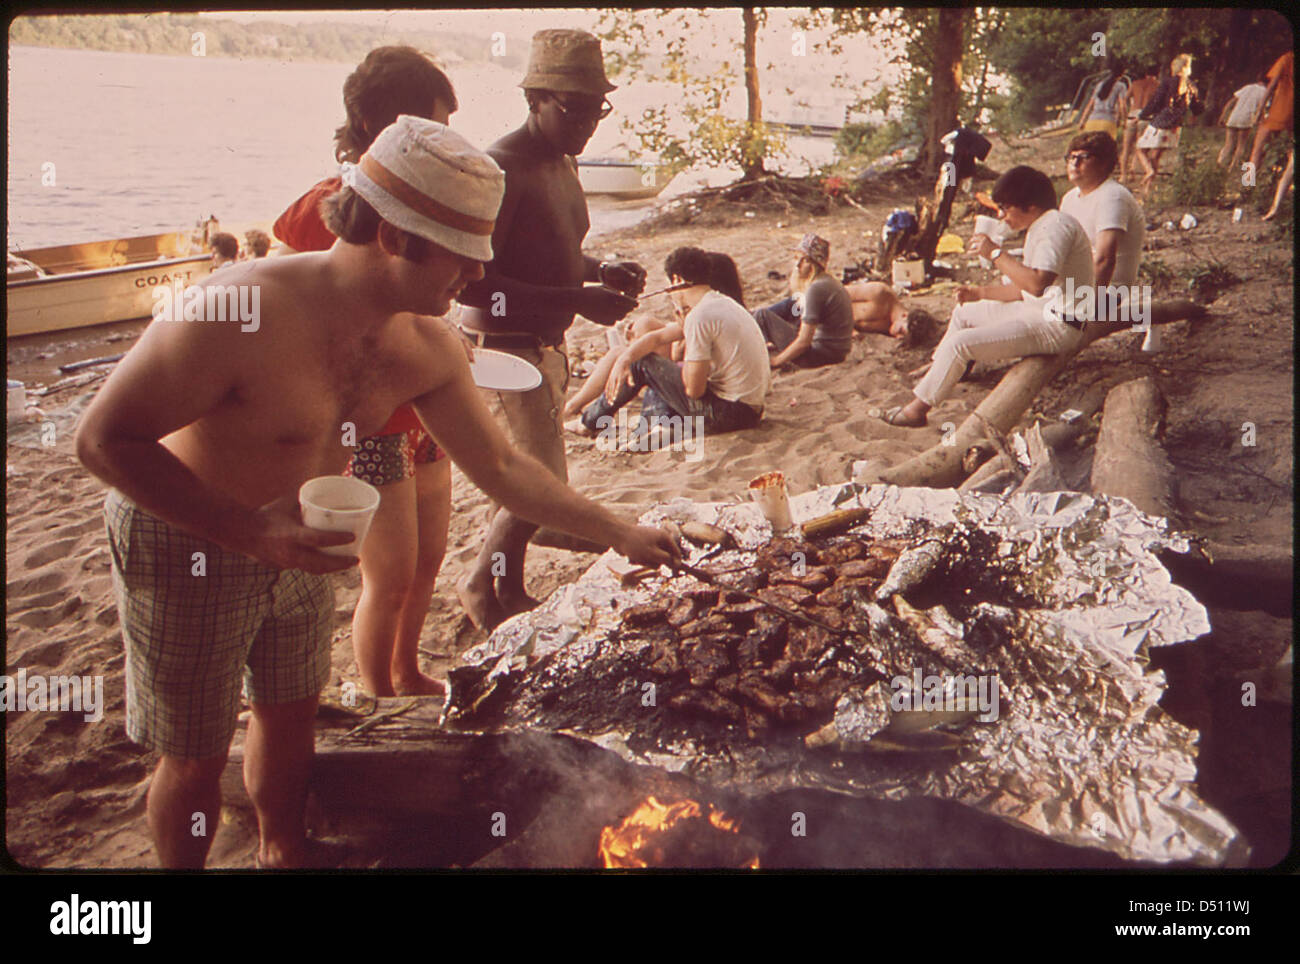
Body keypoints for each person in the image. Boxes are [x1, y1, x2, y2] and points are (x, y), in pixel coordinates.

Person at [75, 117, 679, 869]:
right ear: (397, 238)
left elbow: (502, 466)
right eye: (464, 258)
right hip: (185, 533)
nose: (478, 279)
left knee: (291, 715)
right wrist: (246, 532)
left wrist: (618, 529)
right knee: (193, 753)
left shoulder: (426, 345)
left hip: (296, 537)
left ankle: (283, 848)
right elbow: (101, 441)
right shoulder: (233, 311)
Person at [273, 46, 460, 698]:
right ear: (381, 126)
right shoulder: (331, 208)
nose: (441, 142)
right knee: (392, 572)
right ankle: (378, 692)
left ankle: (406, 670)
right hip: (373, 425)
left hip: (425, 409)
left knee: (430, 557)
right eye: (430, 127)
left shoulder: (430, 208)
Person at [454, 30, 647, 632]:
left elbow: (553, 253)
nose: (588, 121)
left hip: (544, 346)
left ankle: (504, 585)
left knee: (534, 481)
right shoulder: (500, 167)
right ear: (535, 98)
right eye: (574, 107)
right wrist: (576, 299)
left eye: (597, 108)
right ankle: (480, 589)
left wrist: (600, 270)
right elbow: (474, 285)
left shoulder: (561, 160)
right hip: (502, 350)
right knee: (539, 483)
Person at [872, 166, 1094, 428]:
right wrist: (978, 293)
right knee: (964, 312)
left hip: (1059, 326)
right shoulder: (1041, 225)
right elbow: (1023, 288)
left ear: (1030, 206)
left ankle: (915, 411)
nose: (1001, 216)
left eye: (1005, 208)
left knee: (960, 344)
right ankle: (940, 368)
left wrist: (996, 254)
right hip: (1039, 310)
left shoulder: (1054, 228)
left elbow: (1036, 285)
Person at [576, 245, 769, 439]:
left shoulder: (700, 316)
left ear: (677, 280)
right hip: (750, 410)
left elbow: (694, 390)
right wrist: (623, 359)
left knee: (643, 364)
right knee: (642, 360)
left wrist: (669, 361)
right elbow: (657, 337)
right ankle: (653, 421)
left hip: (730, 415)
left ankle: (588, 422)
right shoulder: (720, 302)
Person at [750, 234, 854, 368]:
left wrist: (776, 361)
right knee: (792, 303)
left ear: (815, 265)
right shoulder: (827, 282)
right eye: (797, 258)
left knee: (762, 316)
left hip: (821, 355)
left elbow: (804, 341)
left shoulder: (816, 288)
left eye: (804, 260)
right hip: (835, 353)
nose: (798, 265)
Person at [1059, 131, 1145, 294]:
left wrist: (1087, 303)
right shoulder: (1069, 198)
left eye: (1084, 157)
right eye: (1071, 157)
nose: (1074, 163)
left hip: (1109, 290)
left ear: (1104, 164)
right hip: (1074, 284)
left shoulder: (1112, 196)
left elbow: (1105, 259)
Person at [1136, 54, 1203, 198]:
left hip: (1160, 122)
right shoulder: (1191, 86)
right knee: (1155, 156)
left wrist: (1141, 115)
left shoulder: (1168, 82)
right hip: (1175, 126)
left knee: (1140, 149)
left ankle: (1149, 171)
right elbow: (1198, 109)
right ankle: (1148, 190)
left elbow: (1155, 102)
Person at [1248, 51, 1294, 178]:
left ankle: (1246, 184)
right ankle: (1283, 185)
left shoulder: (1287, 58)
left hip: (1279, 111)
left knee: (1256, 149)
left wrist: (1259, 110)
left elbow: (1271, 85)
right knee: (1292, 154)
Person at [1218, 72, 1270, 169]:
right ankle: (1232, 168)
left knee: (1228, 144)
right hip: (1246, 119)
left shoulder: (1247, 87)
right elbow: (1262, 109)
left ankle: (1220, 165)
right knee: (1241, 145)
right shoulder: (1265, 92)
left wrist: (1223, 115)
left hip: (1234, 116)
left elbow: (1231, 101)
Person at [1120, 68, 1160, 185]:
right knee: (1140, 147)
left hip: (1132, 116)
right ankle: (1134, 169)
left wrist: (1124, 115)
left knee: (1126, 147)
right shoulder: (1157, 85)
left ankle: (1123, 175)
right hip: (1146, 117)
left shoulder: (1135, 84)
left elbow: (1124, 100)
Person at [1076, 67, 1129, 139]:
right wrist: (1124, 121)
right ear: (1122, 74)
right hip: (1108, 121)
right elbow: (1122, 106)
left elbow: (1090, 105)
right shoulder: (1121, 86)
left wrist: (1082, 121)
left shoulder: (1099, 85)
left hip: (1092, 121)